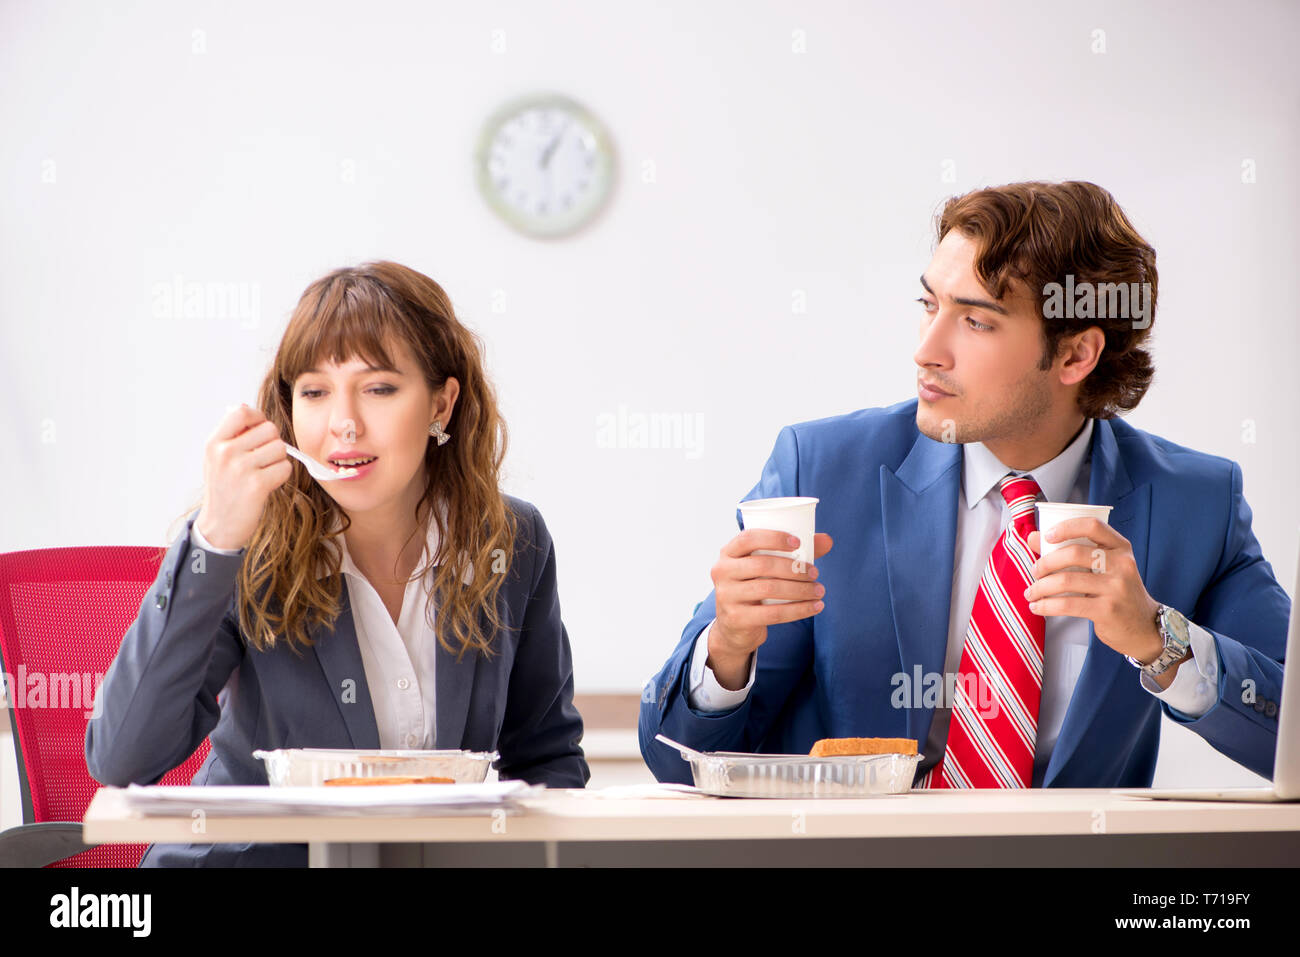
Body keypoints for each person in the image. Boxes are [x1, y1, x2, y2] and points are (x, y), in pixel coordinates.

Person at [640, 181, 1290, 789]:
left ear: (1074, 355)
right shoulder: (824, 468)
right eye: (930, 304)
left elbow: (1287, 730)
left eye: (976, 321)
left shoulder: (1196, 504)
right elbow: (672, 756)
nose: (928, 348)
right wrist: (726, 648)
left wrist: (1159, 638)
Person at [87, 261, 588, 865]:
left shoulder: (510, 540)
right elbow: (123, 757)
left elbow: (545, 760)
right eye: (315, 392)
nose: (343, 423)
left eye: (379, 388)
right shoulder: (249, 546)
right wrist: (216, 540)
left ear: (442, 404)